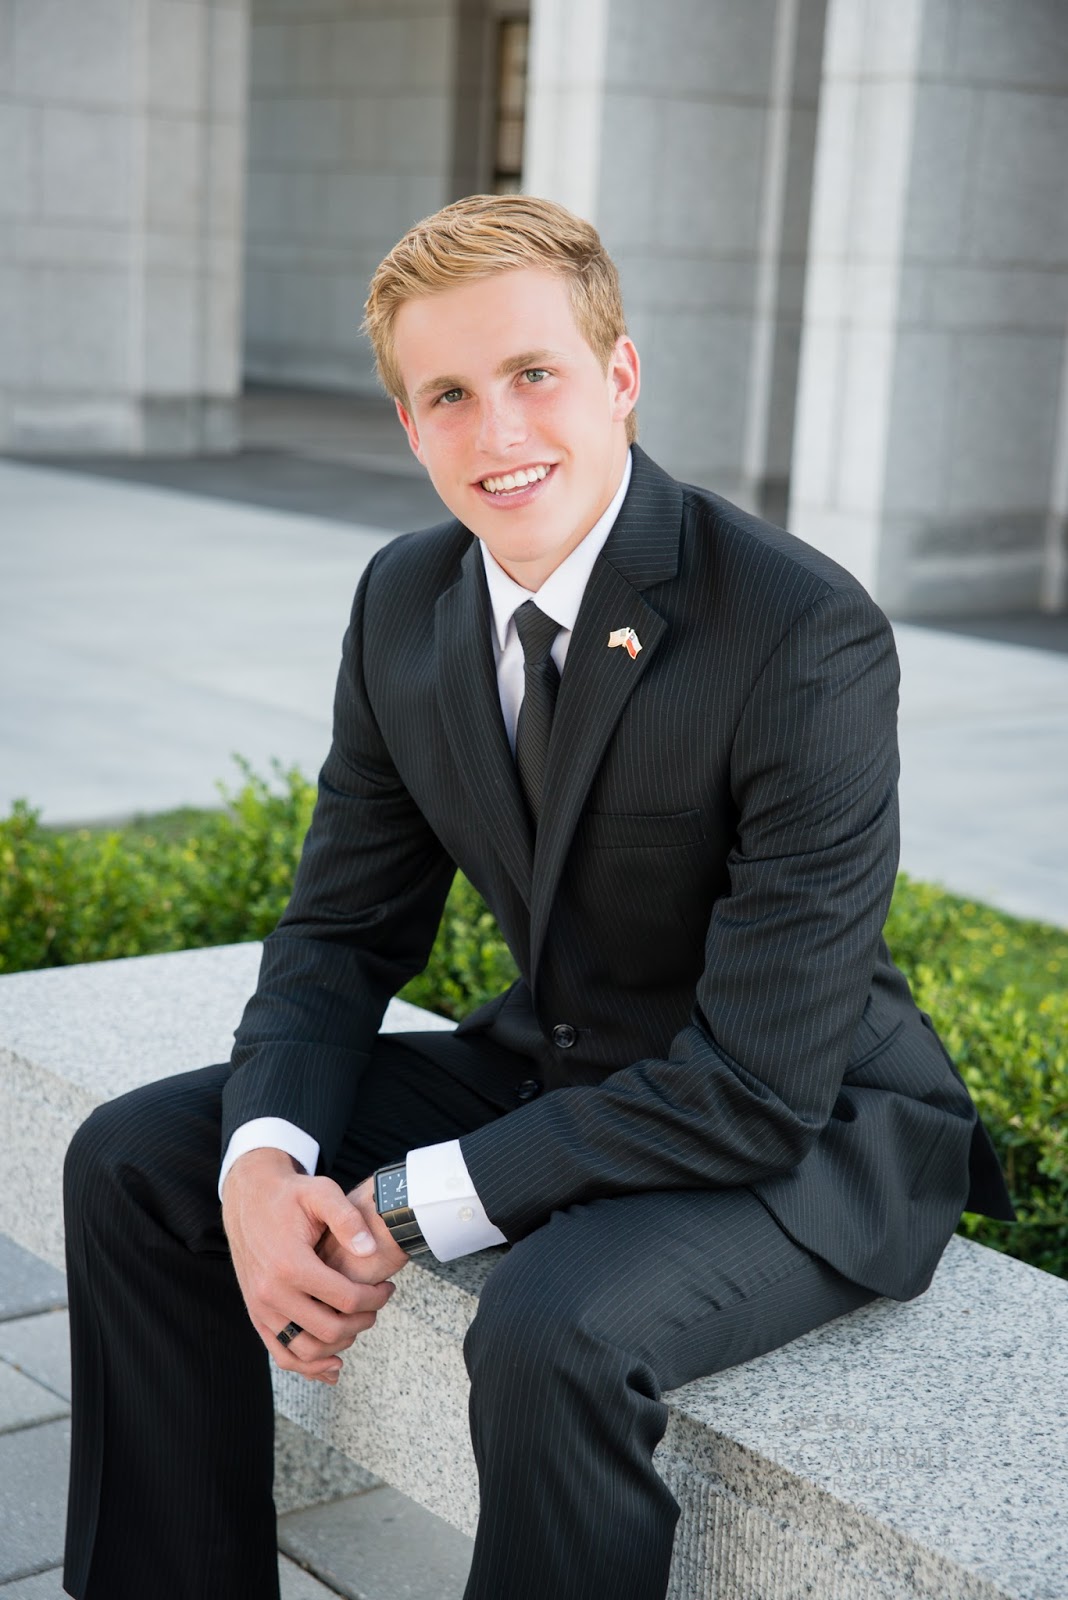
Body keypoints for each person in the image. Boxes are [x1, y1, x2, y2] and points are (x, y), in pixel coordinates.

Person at [62, 194, 1014, 1600]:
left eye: (533, 375)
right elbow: (338, 932)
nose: (498, 432)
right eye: (448, 393)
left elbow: (758, 1078)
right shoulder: (406, 600)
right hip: (560, 1062)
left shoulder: (801, 632)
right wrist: (266, 1166)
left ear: (619, 378)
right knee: (142, 1167)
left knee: (551, 1328)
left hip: (804, 1121)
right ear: (409, 426)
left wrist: (393, 1204)